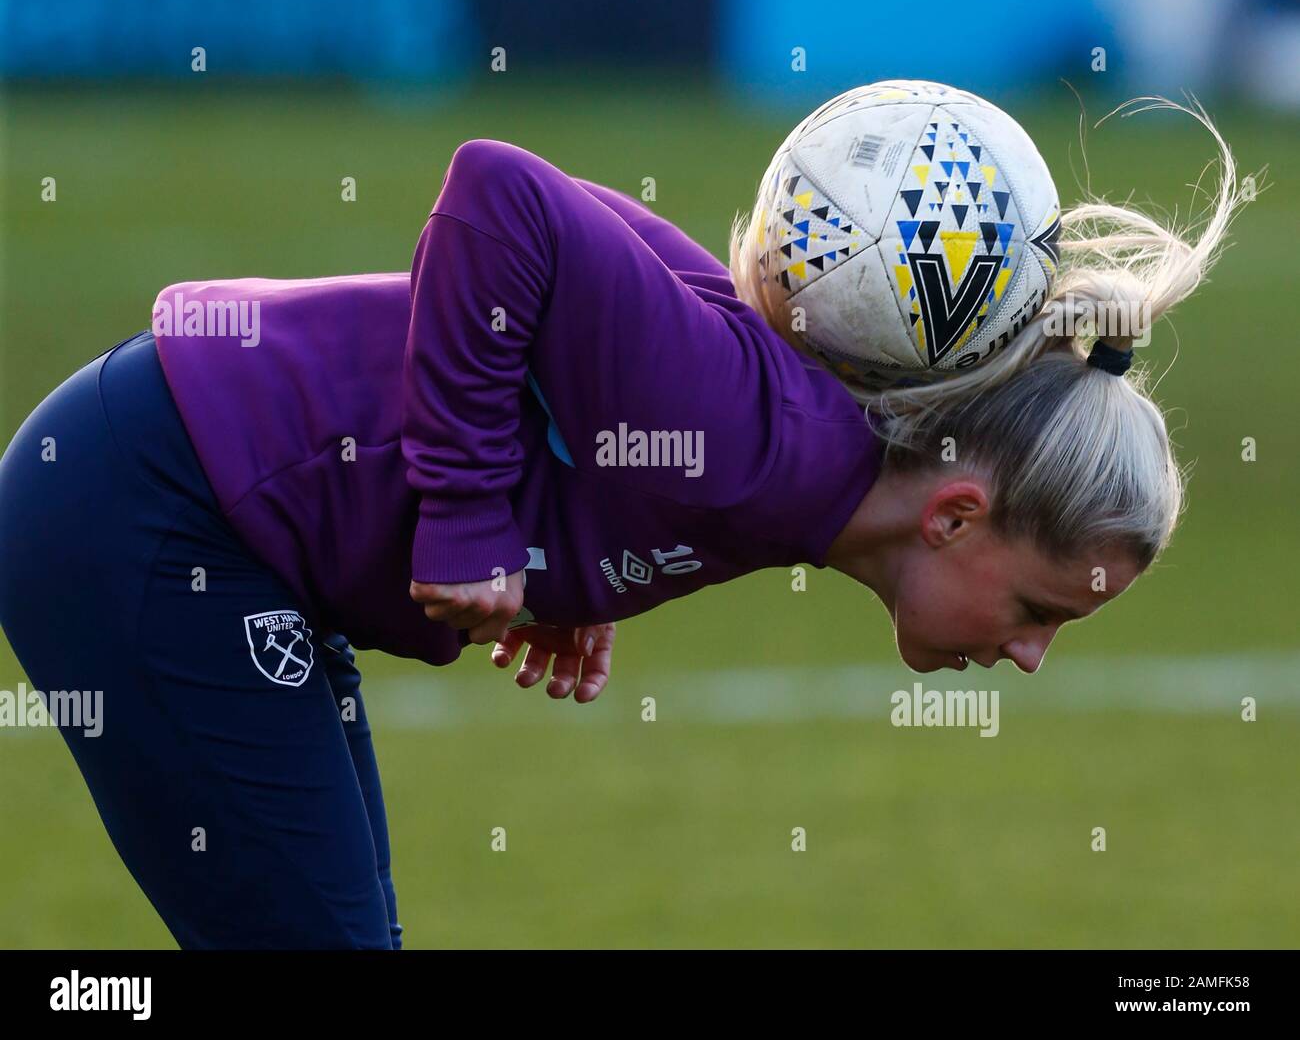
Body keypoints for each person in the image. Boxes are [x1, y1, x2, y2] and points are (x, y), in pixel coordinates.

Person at [0, 91, 1242, 948]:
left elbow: (629, 258)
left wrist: (569, 548)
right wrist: (476, 515)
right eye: (1038, 609)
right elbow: (504, 197)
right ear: (958, 512)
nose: (1027, 654)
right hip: (155, 505)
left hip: (192, 501)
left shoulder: (789, 453)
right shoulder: (766, 434)